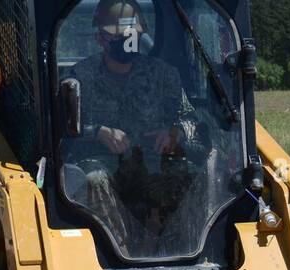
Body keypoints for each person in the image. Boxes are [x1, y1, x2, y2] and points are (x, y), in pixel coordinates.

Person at [64, 0, 195, 256]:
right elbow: (63, 129)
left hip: (154, 163)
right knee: (93, 180)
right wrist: (98, 132)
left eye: (132, 36)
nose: (127, 42)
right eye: (118, 37)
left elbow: (193, 120)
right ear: (100, 39)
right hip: (104, 165)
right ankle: (121, 256)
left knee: (190, 172)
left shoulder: (163, 75)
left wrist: (174, 133)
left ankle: (181, 253)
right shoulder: (80, 76)